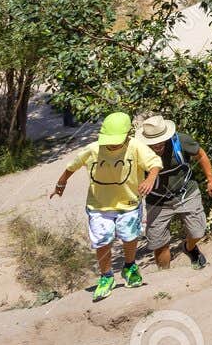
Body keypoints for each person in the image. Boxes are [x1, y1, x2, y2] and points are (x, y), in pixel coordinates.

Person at [49, 110, 161, 302]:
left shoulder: (135, 146)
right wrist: (60, 185)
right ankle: (106, 276)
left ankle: (130, 266)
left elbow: (155, 163)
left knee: (129, 236)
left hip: (129, 203)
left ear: (127, 135)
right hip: (99, 206)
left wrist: (150, 178)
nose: (113, 143)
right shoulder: (93, 149)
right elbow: (71, 166)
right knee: (102, 240)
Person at [138, 114, 212, 270]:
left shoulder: (181, 141)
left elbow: (201, 154)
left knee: (197, 232)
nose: (157, 145)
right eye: (153, 142)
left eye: (160, 140)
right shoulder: (139, 150)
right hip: (157, 200)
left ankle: (189, 248)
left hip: (186, 193)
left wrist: (211, 180)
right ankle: (165, 276)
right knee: (159, 243)